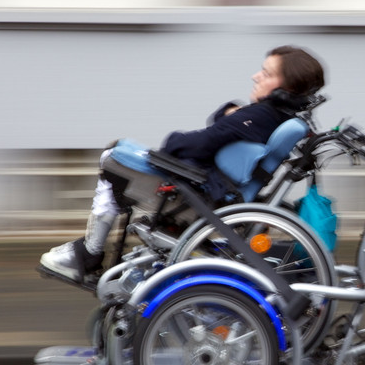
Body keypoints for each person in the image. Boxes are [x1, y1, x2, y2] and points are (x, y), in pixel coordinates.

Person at [40, 45, 326, 283]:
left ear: (285, 88)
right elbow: (222, 127)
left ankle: (89, 252)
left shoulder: (260, 116)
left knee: (112, 158)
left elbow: (189, 143)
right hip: (210, 185)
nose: (255, 76)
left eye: (266, 73)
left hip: (200, 191)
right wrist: (230, 115)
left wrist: (181, 137)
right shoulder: (275, 116)